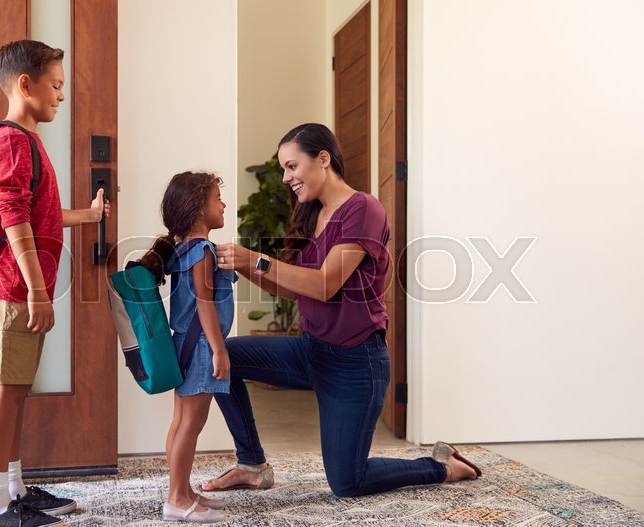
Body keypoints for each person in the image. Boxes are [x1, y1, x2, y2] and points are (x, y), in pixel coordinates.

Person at [201, 123, 481, 498]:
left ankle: (443, 466)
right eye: (284, 169)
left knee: (348, 482)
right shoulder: (309, 215)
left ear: (323, 158)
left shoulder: (363, 209)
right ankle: (252, 465)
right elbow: (290, 288)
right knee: (217, 358)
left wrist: (257, 259)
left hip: (355, 362)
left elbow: (323, 283)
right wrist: (243, 267)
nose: (286, 178)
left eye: (292, 166)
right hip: (311, 350)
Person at [0, 40, 110, 527]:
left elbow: (41, 215)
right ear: (25, 85)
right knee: (5, 391)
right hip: (13, 289)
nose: (62, 96)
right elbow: (13, 218)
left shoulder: (26, 141)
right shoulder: (11, 141)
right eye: (56, 85)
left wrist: (89, 215)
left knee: (15, 391)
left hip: (19, 287)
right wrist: (35, 289)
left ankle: (13, 489)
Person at [139, 172, 237, 523]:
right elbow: (203, 303)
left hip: (185, 343)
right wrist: (218, 350)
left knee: (181, 421)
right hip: (199, 347)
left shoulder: (184, 248)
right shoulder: (202, 250)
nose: (223, 204)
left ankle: (180, 490)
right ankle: (176, 499)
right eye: (216, 199)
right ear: (199, 208)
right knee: (191, 424)